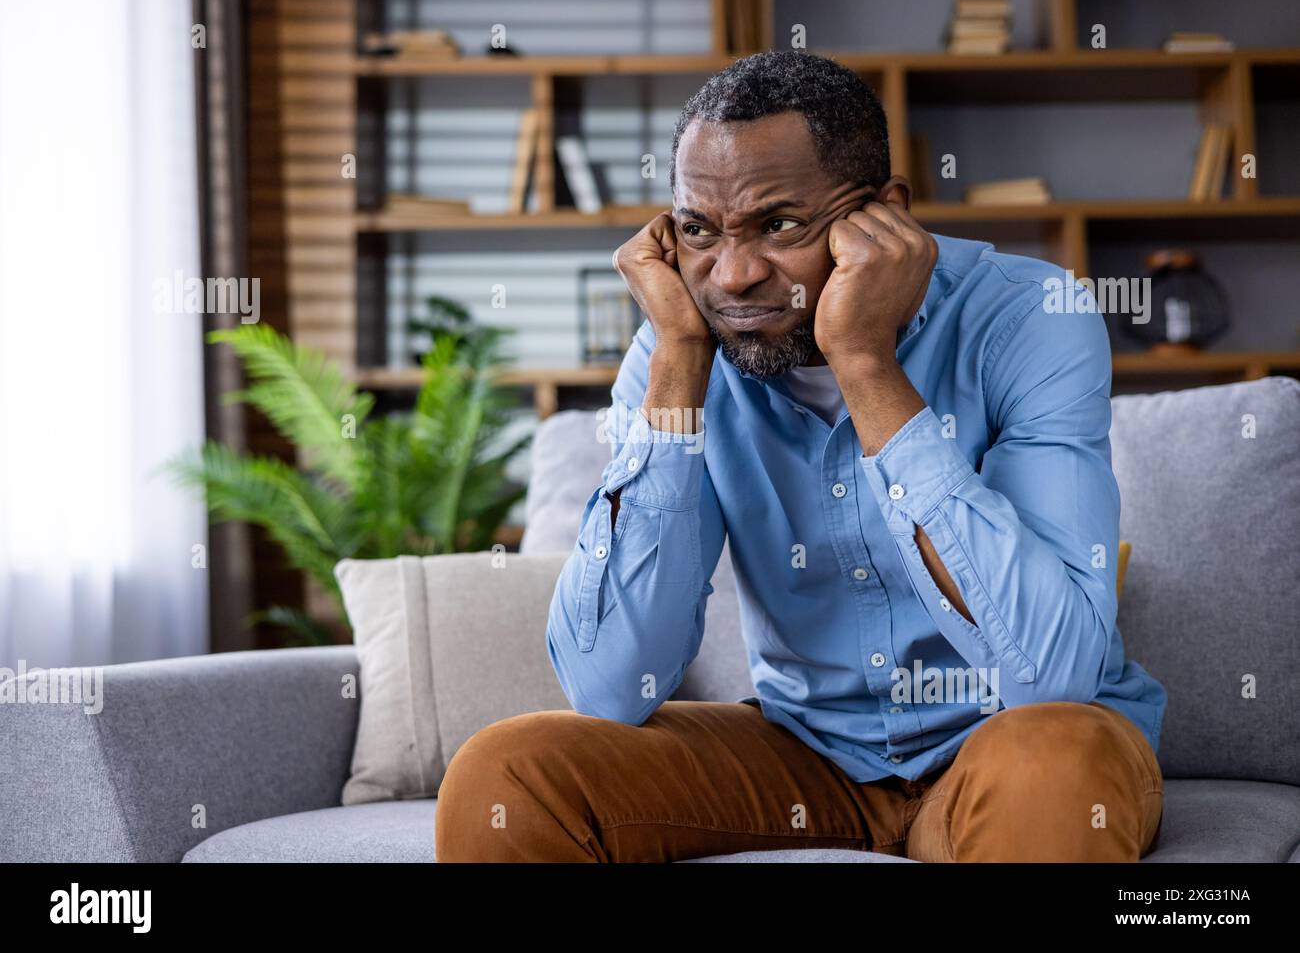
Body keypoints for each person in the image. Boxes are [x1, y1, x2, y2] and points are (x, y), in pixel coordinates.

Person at [435, 50, 1167, 863]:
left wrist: (866, 363)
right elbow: (610, 688)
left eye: (779, 225)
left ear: (885, 215)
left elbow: (1053, 675)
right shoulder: (677, 346)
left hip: (1009, 741)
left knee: (1051, 763)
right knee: (506, 777)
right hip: (803, 754)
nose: (735, 275)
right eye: (698, 231)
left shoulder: (1032, 315)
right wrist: (678, 359)